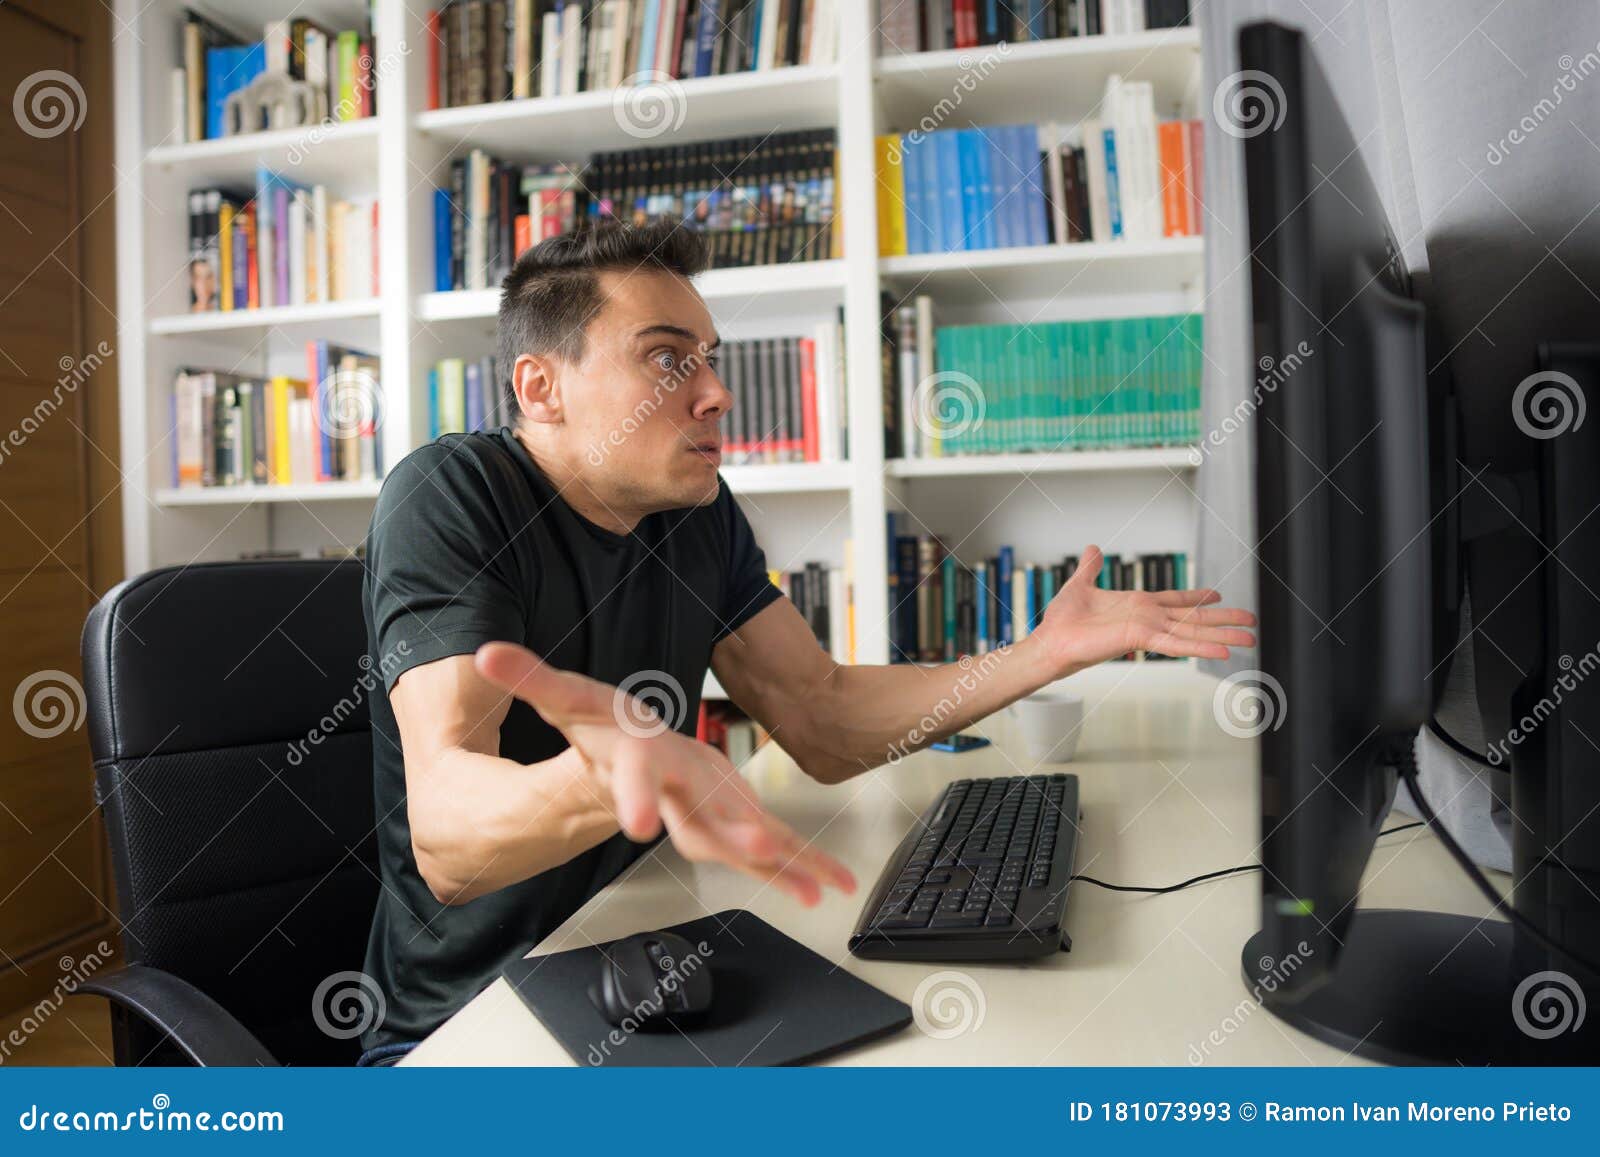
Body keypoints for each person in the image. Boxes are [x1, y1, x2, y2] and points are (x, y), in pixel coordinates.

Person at [357, 219, 1256, 1063]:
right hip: (471, 1025)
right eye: (667, 360)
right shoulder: (451, 494)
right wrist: (612, 770)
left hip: (634, 952)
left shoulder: (696, 512)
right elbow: (446, 836)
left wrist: (1041, 653)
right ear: (539, 388)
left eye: (709, 360)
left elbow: (819, 715)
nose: (715, 392)